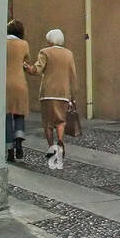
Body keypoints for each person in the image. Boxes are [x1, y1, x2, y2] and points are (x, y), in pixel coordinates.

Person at [28, 29, 77, 170]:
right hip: (63, 93)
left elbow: (37, 70)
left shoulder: (45, 52)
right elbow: (73, 76)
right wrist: (73, 96)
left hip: (48, 93)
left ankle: (51, 148)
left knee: (48, 124)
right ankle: (60, 141)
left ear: (50, 40)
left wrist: (27, 67)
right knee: (61, 121)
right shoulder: (69, 54)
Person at [5, 20, 30, 163]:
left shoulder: (2, 43)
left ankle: (9, 150)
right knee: (19, 113)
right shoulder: (24, 44)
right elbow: (26, 61)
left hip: (4, 83)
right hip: (20, 83)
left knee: (7, 115)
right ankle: (19, 138)